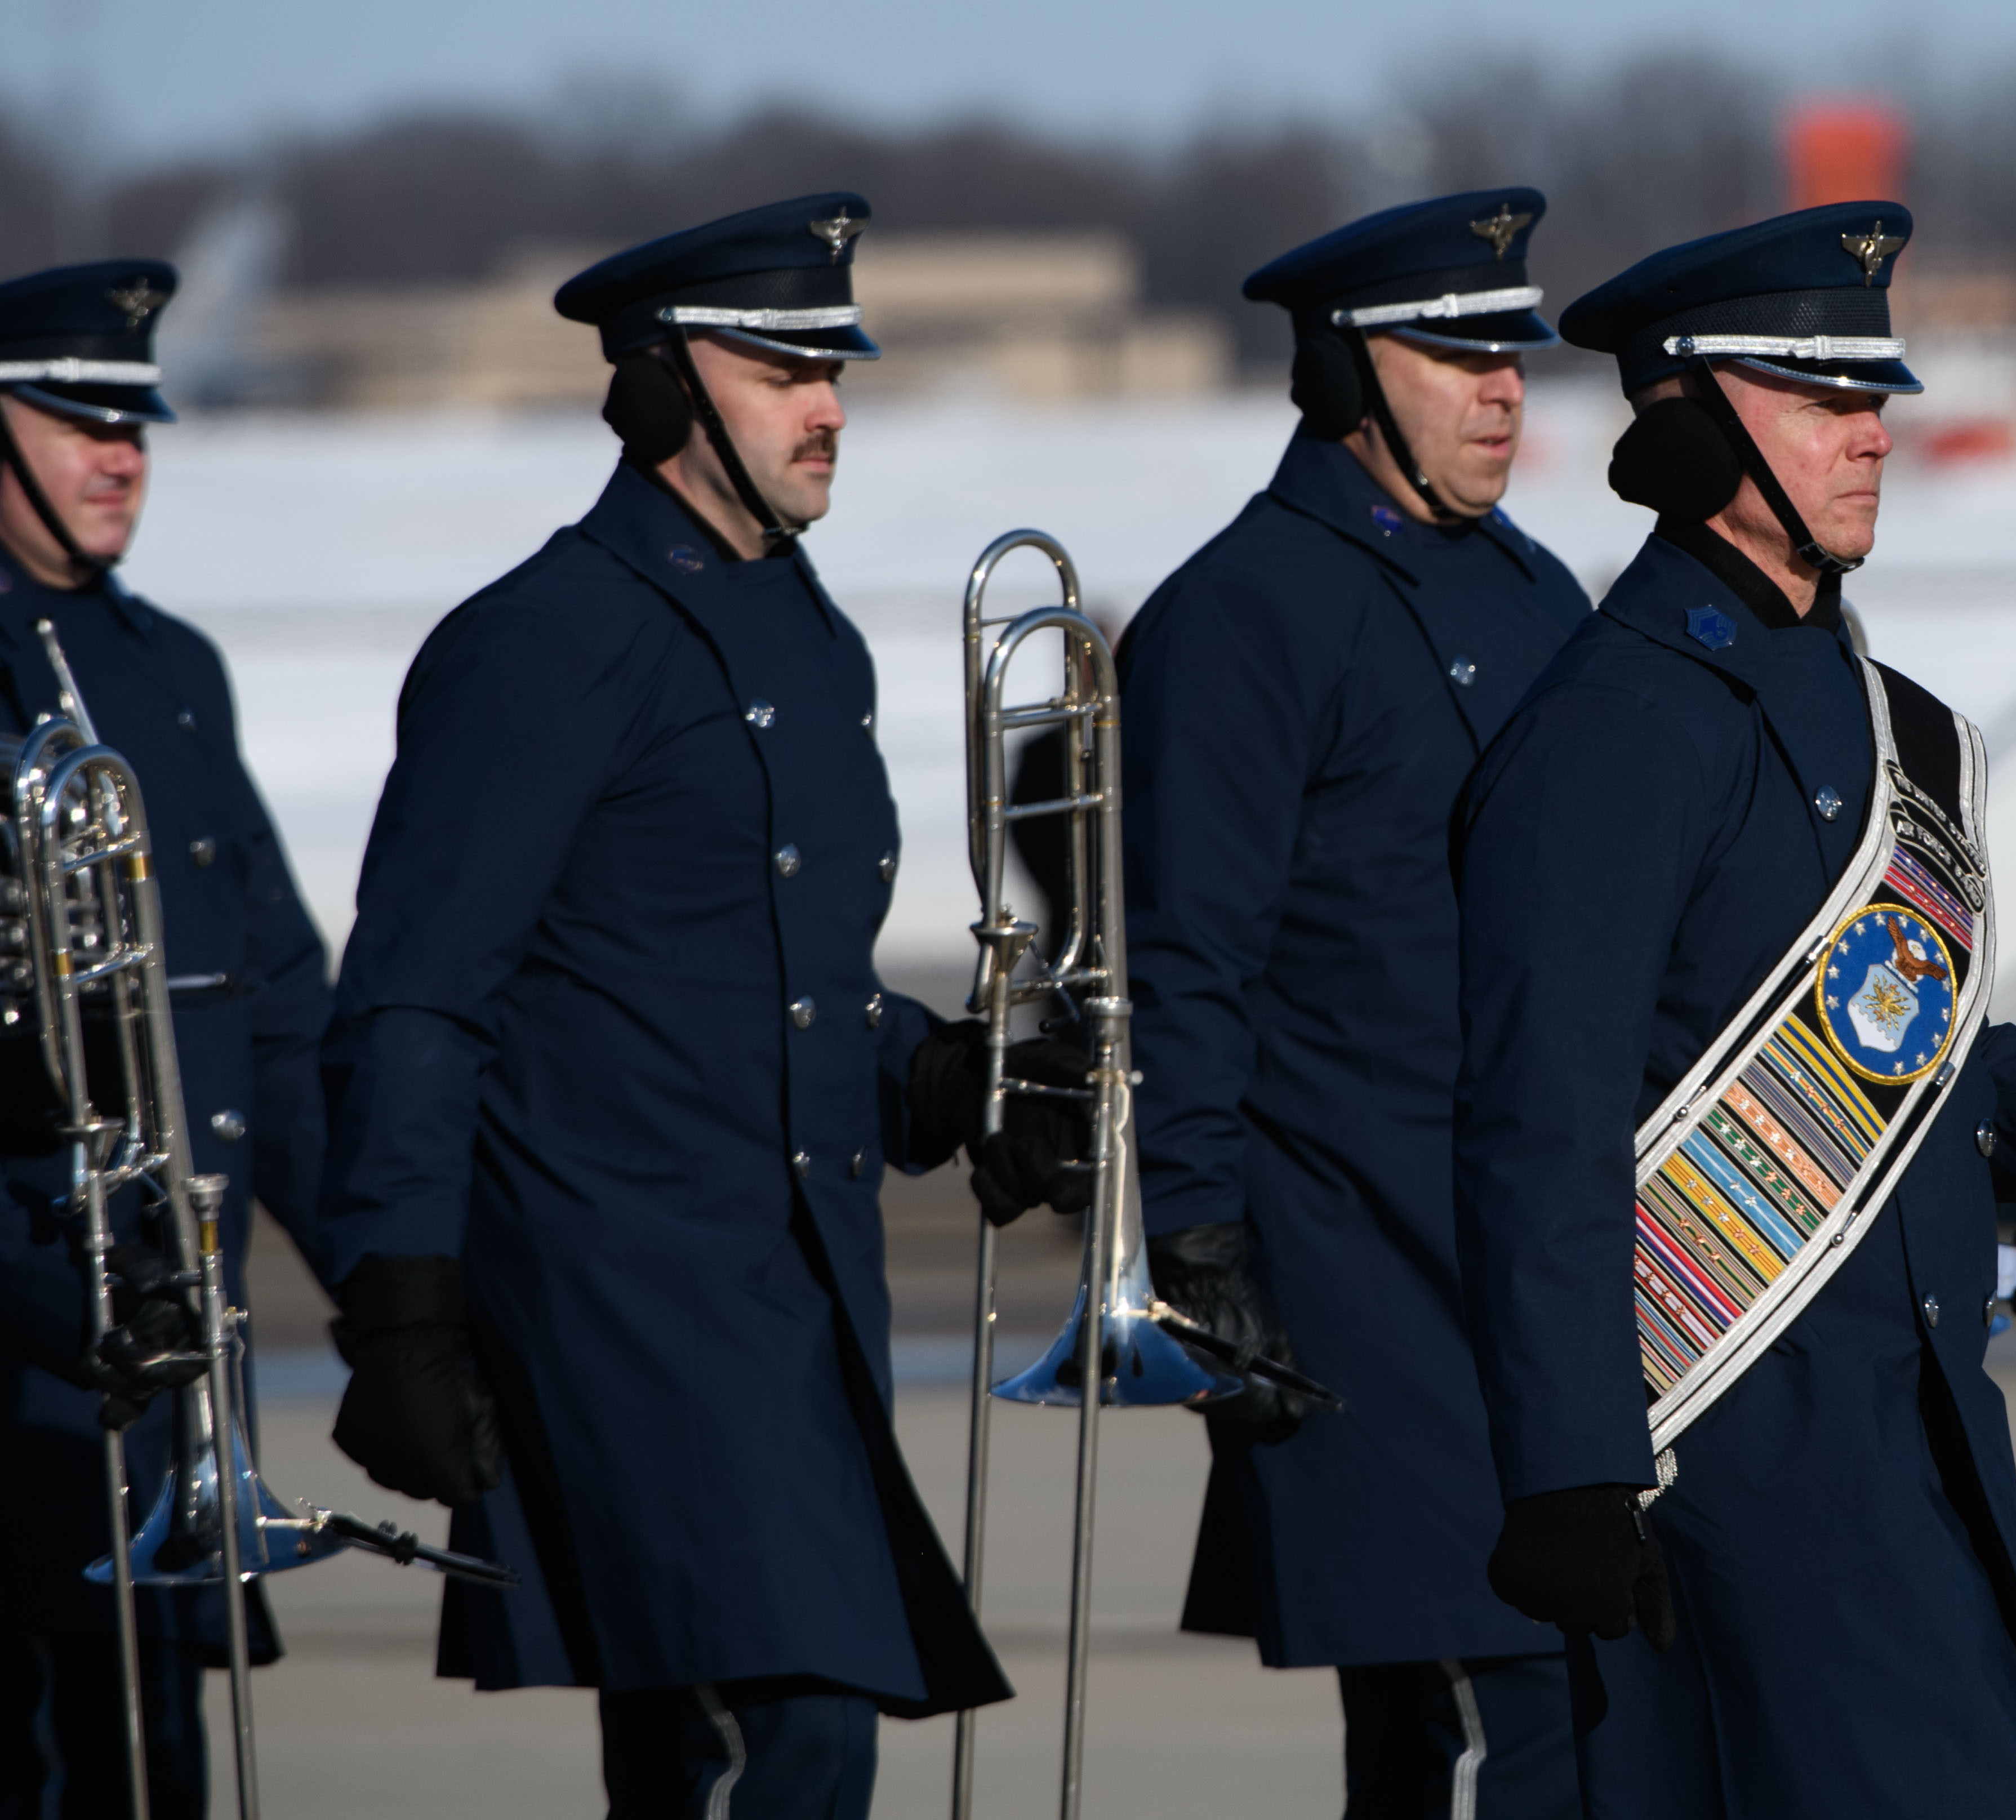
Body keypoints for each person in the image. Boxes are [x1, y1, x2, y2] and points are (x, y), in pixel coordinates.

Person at [1449, 203, 2016, 1817]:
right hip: (1720, 1451)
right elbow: (1536, 1119)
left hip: (1912, 1437)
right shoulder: (1613, 727)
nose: (1871, 436)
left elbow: (1920, 1078)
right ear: (1685, 428)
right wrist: (1568, 1463)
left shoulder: (1884, 720)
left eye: (1873, 400)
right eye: (1819, 402)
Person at [315, 195, 1085, 1818]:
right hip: (627, 1295)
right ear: (665, 388)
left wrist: (938, 1077)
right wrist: (395, 1299)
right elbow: (414, 997)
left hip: (797, 1293)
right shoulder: (546, 640)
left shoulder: (801, 628)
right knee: (777, 1731)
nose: (827, 406)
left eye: (836, 369)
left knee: (774, 1744)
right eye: (779, 367)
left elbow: (753, 970)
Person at [1120, 188, 1593, 1817]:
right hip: (1357, 1260)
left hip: (1539, 1248)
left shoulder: (1533, 590)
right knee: (1500, 1704)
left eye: (1511, 353)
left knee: (1544, 1712)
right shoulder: (1244, 611)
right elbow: (1185, 953)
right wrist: (1190, 1239)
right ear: (1342, 375)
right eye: (1451, 353)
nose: (1500, 388)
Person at [0, 260, 332, 1817]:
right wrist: (57, 1294)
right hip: (26, 1362)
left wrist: (403, 1283)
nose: (122, 451)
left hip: (165, 1369)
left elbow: (273, 1003)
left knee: (157, 1777)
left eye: (136, 418)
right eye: (73, 417)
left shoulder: (168, 669)